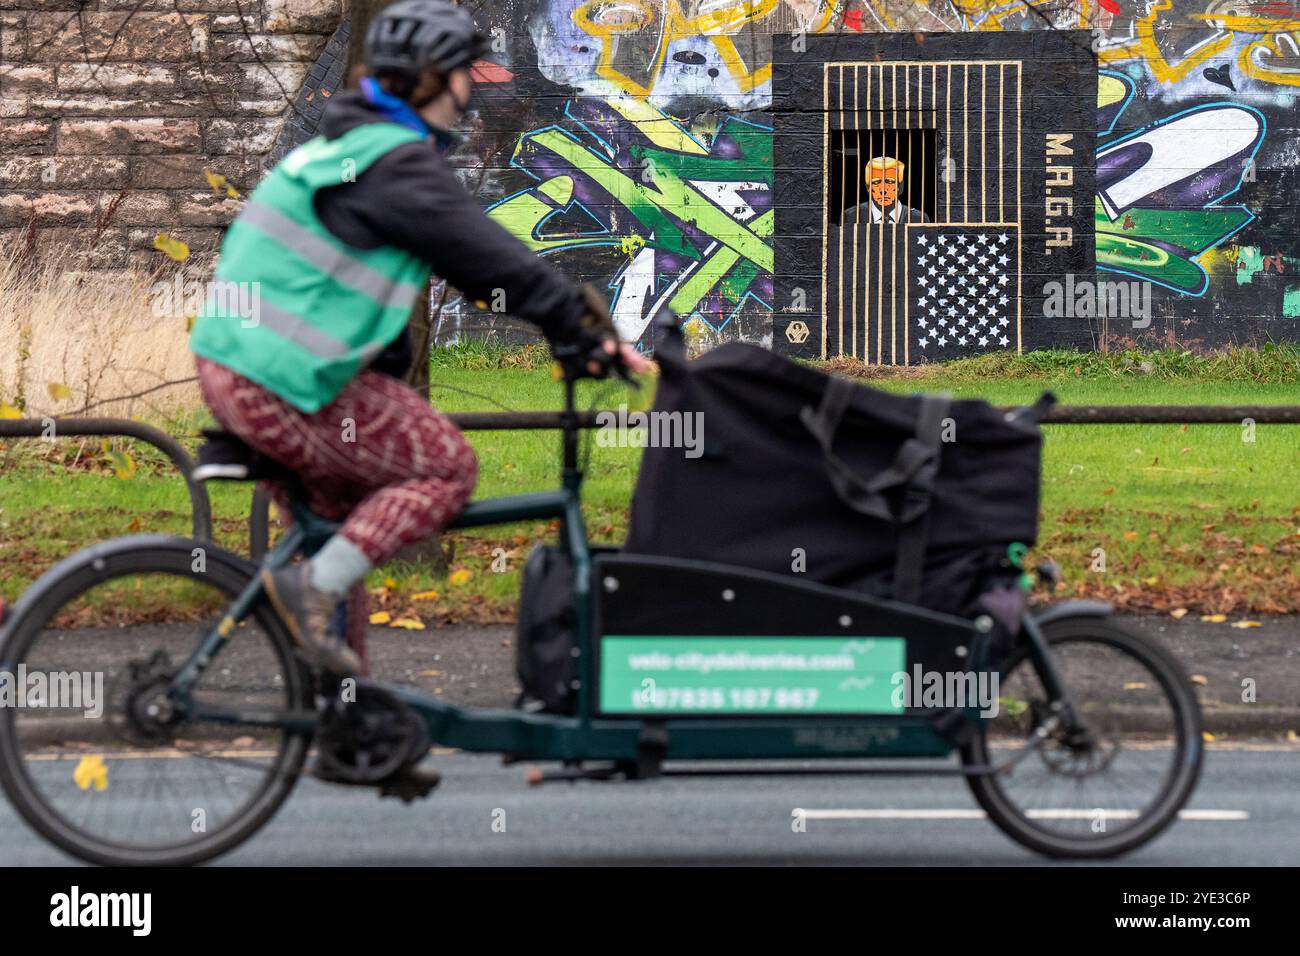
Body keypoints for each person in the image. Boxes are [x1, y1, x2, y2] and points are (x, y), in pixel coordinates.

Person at [190, 0, 651, 678]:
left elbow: (368, 283)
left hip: (243, 369)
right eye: (465, 72)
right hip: (280, 381)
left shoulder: (345, 148)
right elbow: (484, 255)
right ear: (435, 80)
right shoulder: (392, 163)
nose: (473, 90)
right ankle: (310, 596)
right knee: (446, 465)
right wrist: (580, 325)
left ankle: (350, 719)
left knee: (342, 540)